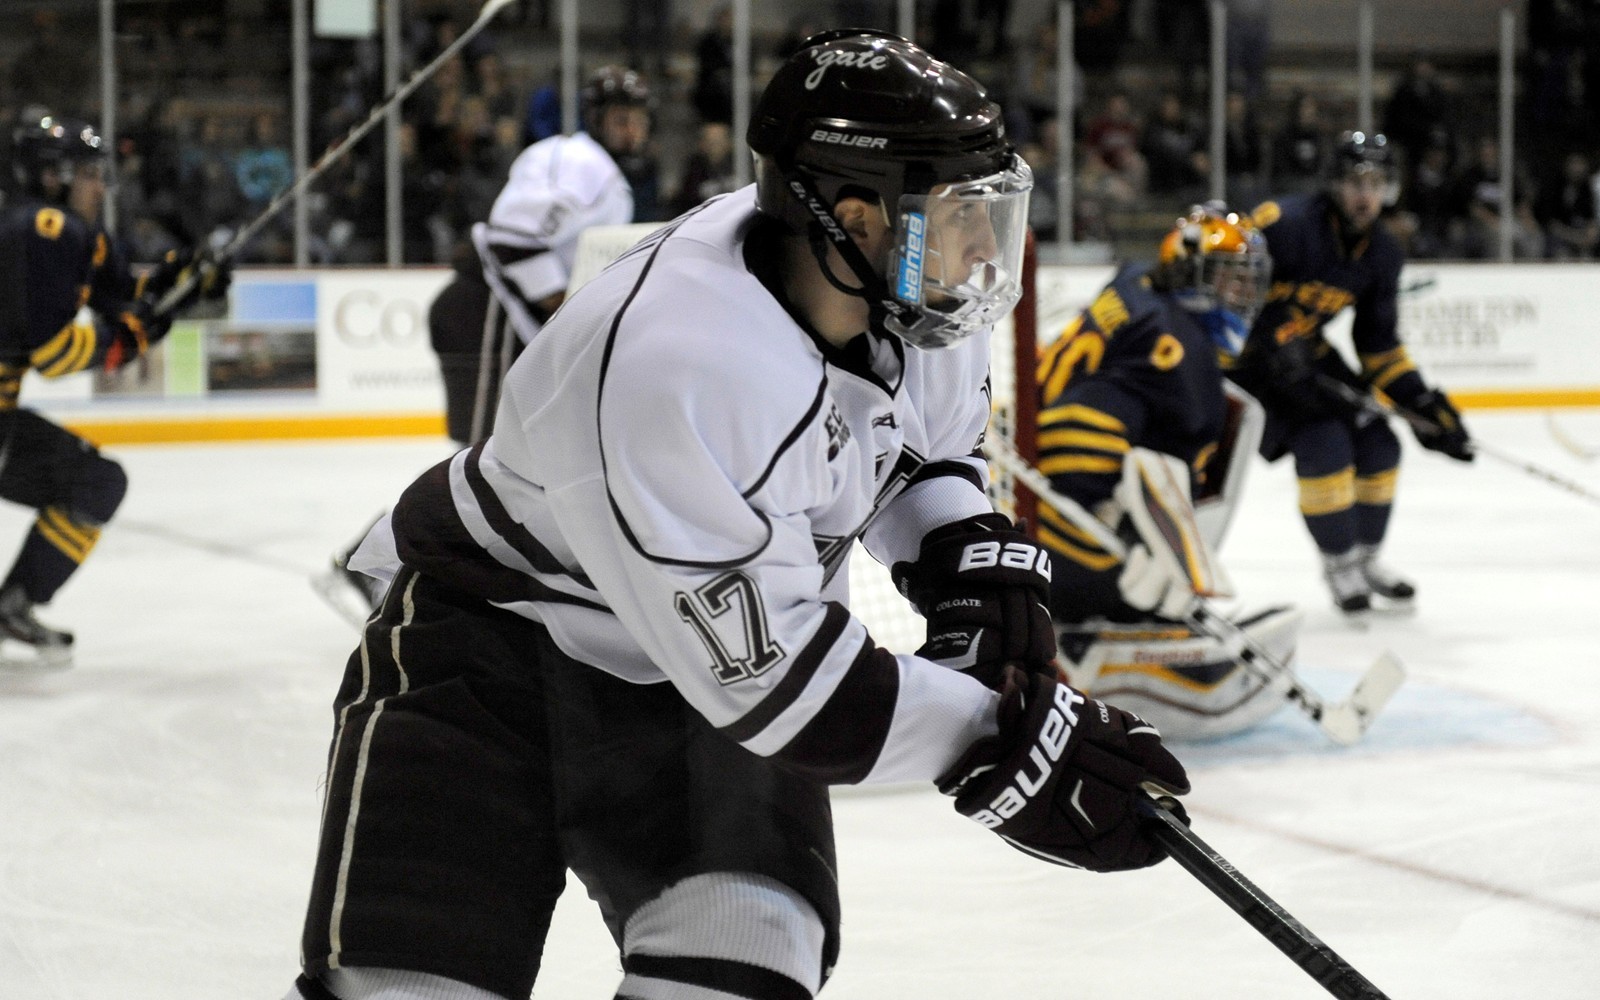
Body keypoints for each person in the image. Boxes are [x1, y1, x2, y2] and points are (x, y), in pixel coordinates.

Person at [282, 31, 1189, 1000]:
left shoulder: (901, 287)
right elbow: (786, 689)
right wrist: (998, 741)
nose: (985, 248)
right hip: (491, 656)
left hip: (696, 693)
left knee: (740, 962)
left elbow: (925, 456)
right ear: (858, 217)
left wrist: (968, 566)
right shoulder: (681, 361)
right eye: (963, 214)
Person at [314, 65, 657, 624]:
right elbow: (513, 238)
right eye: (621, 119)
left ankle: (393, 565)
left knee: (504, 464)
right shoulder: (581, 162)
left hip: (487, 314)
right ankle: (374, 562)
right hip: (485, 313)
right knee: (487, 465)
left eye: (638, 120)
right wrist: (563, 309)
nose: (632, 130)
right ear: (596, 119)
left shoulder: (592, 168)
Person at [1035, 203, 1298, 739]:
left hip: (1021, 476)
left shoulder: (1136, 285)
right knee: (1155, 517)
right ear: (1188, 273)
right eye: (1229, 280)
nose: (1242, 295)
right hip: (1053, 529)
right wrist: (1131, 543)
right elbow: (1082, 431)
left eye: (1248, 282)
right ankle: (1097, 616)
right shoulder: (1181, 352)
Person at [0, 114, 229, 668]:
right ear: (51, 176)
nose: (100, 186)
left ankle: (12, 606)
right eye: (87, 174)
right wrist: (130, 336)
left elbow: (122, 296)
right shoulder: (42, 227)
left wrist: (179, 279)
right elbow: (53, 354)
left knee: (95, 482)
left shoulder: (73, 234)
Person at [1228, 131, 1474, 616]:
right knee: (1325, 443)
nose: (1366, 195)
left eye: (1377, 184)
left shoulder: (1383, 253)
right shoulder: (1287, 224)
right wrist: (1265, 338)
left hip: (1305, 355)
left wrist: (1420, 402)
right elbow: (1224, 289)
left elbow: (1377, 345)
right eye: (1356, 183)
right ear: (1335, 185)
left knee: (1380, 442)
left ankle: (1365, 559)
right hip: (1245, 364)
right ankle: (1338, 563)